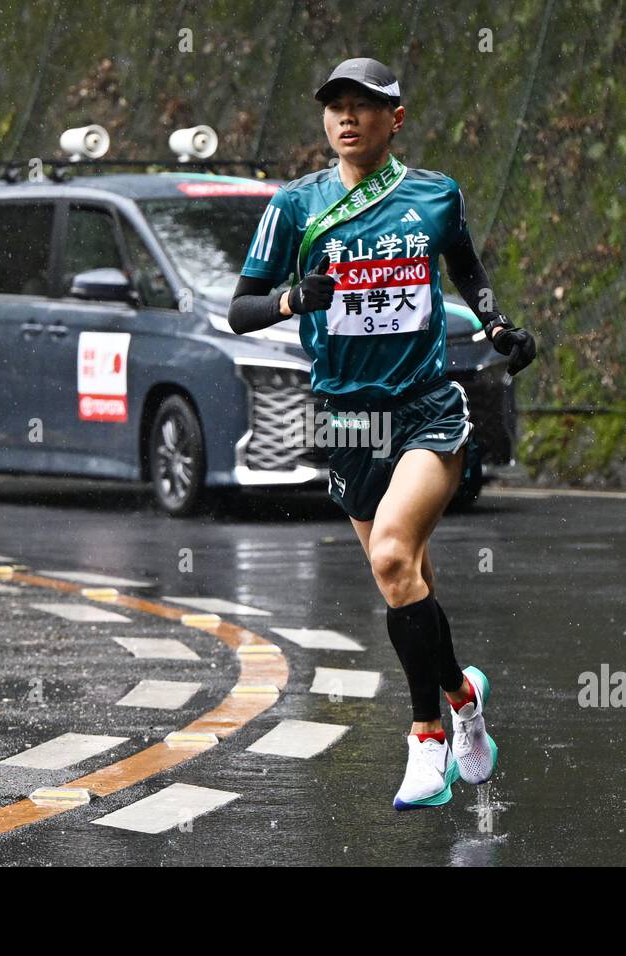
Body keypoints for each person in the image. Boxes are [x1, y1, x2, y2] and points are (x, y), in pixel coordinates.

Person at [227, 57, 536, 810]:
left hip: (428, 407)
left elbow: (465, 264)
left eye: (363, 106)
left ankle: (426, 735)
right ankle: (465, 696)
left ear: (393, 119)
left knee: (395, 554)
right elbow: (240, 308)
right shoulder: (295, 207)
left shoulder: (433, 194)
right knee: (406, 583)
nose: (346, 118)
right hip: (349, 418)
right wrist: (294, 298)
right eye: (335, 105)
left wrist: (496, 323)